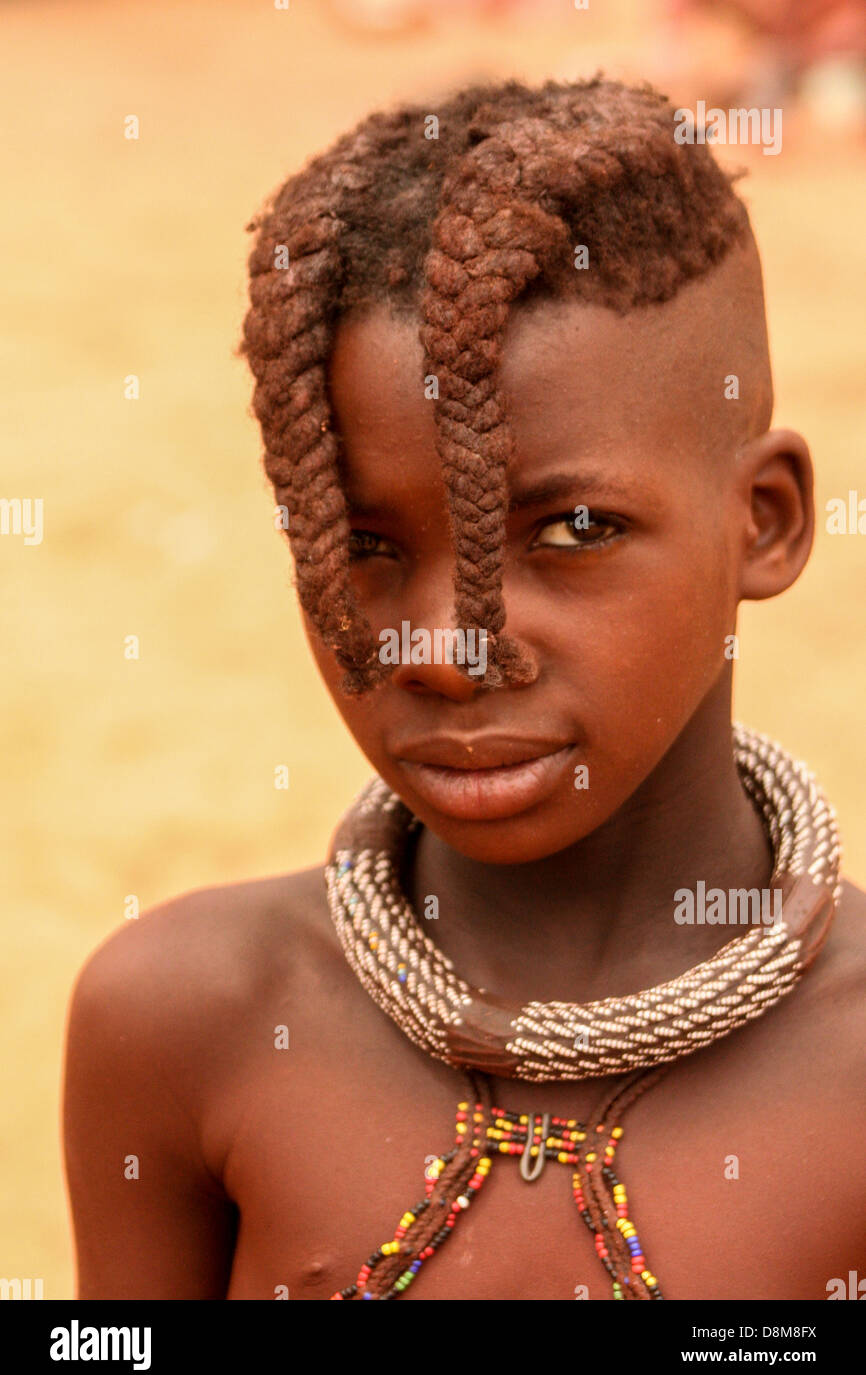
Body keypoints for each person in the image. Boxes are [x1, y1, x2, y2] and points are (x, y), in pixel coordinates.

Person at [63, 76, 866, 1301]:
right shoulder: (182, 1021)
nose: (442, 645)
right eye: (368, 546)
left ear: (763, 522)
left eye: (573, 529)